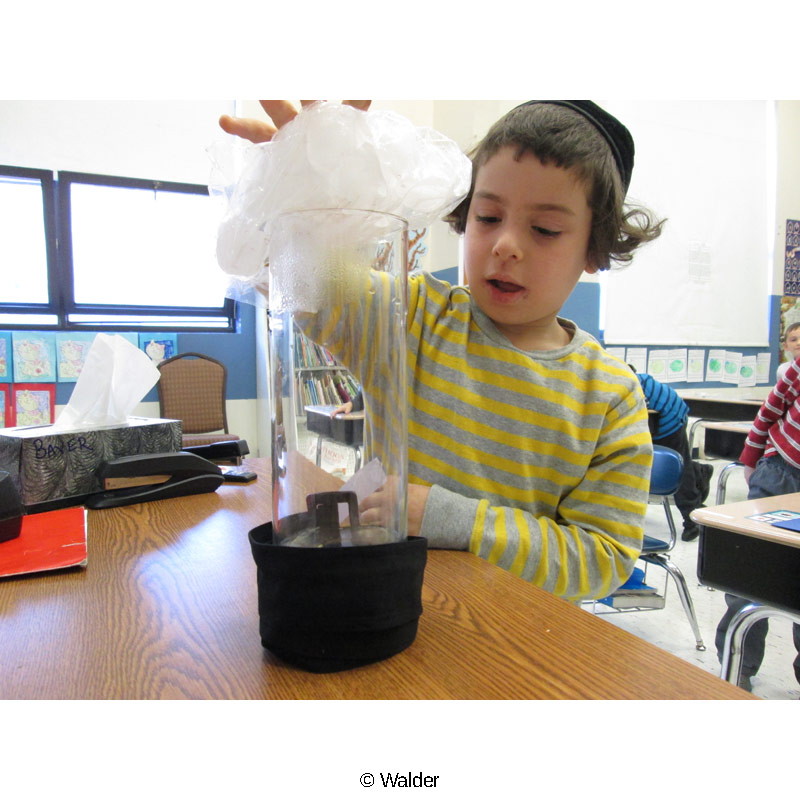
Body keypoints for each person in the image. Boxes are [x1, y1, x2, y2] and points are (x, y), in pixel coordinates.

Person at [220, 100, 663, 603]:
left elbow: (600, 559)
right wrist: (301, 178)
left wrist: (450, 518)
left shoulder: (610, 396)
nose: (507, 244)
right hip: (386, 606)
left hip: (513, 640)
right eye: (489, 216)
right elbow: (297, 282)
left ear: (594, 248)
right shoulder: (414, 316)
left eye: (545, 229)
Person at [714, 358, 800, 691]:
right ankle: (738, 665)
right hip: (780, 472)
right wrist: (752, 459)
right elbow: (771, 408)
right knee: (750, 576)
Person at [631, 367, 713, 541]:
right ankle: (700, 472)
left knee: (677, 469)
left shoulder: (627, 383)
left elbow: (636, 410)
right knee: (679, 464)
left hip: (669, 419)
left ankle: (692, 521)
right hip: (660, 416)